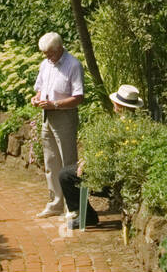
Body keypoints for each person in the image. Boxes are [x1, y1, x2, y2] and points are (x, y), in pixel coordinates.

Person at [59, 84, 144, 228]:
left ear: (118, 105)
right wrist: (88, 159)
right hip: (114, 170)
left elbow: (112, 155)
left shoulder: (125, 126)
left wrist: (89, 163)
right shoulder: (136, 123)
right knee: (72, 171)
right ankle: (87, 215)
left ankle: (86, 216)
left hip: (111, 177)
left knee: (65, 176)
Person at [31, 31, 85, 218]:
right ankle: (55, 204)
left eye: (51, 53)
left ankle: (73, 207)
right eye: (45, 54)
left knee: (68, 163)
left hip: (65, 117)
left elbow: (78, 97)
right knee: (50, 162)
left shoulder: (73, 65)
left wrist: (55, 104)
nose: (48, 57)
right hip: (48, 117)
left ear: (60, 48)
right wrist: (36, 99)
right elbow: (39, 88)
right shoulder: (45, 64)